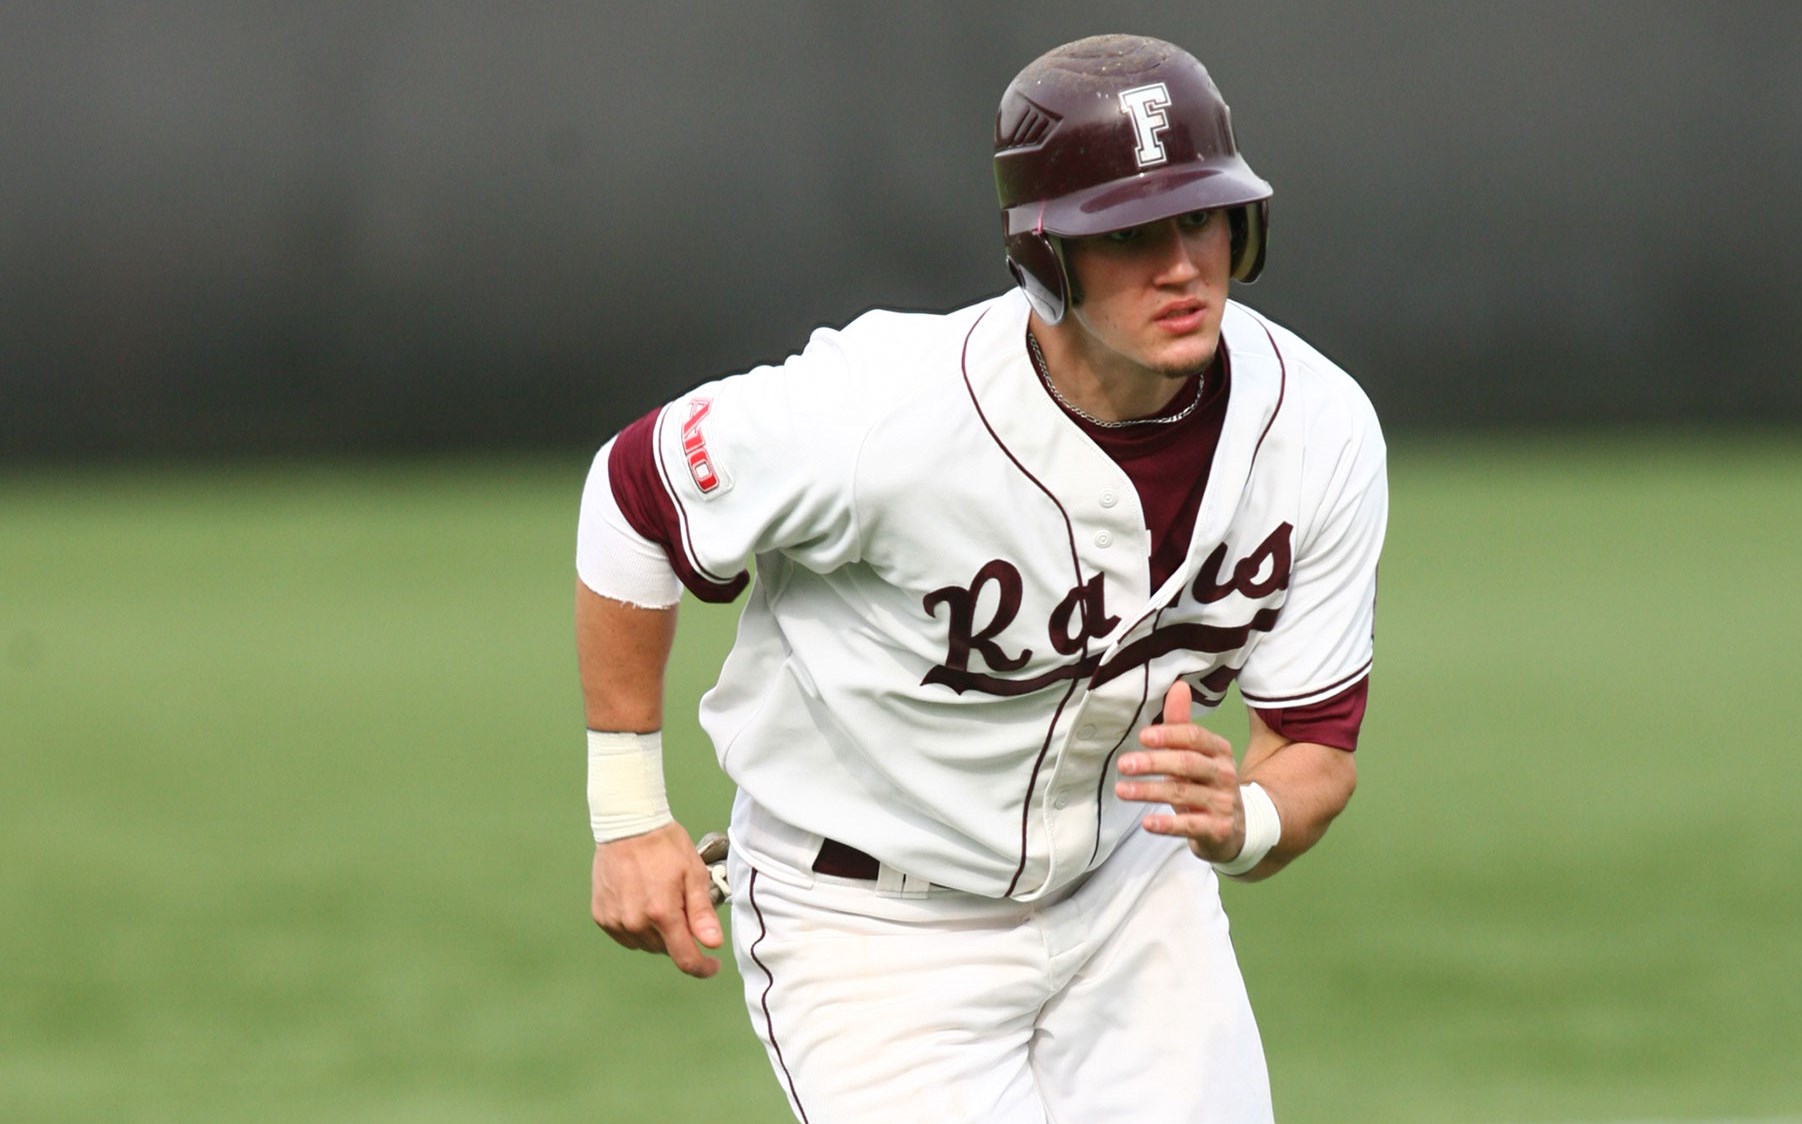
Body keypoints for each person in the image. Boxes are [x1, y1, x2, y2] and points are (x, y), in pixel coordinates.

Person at [573, 33, 1387, 1123]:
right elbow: (635, 490)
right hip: (867, 925)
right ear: (1047, 255)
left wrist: (1238, 816)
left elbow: (1313, 748)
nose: (1180, 264)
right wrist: (627, 811)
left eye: (1199, 217)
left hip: (1127, 890)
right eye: (1129, 231)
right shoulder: (882, 411)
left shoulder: (1318, 427)